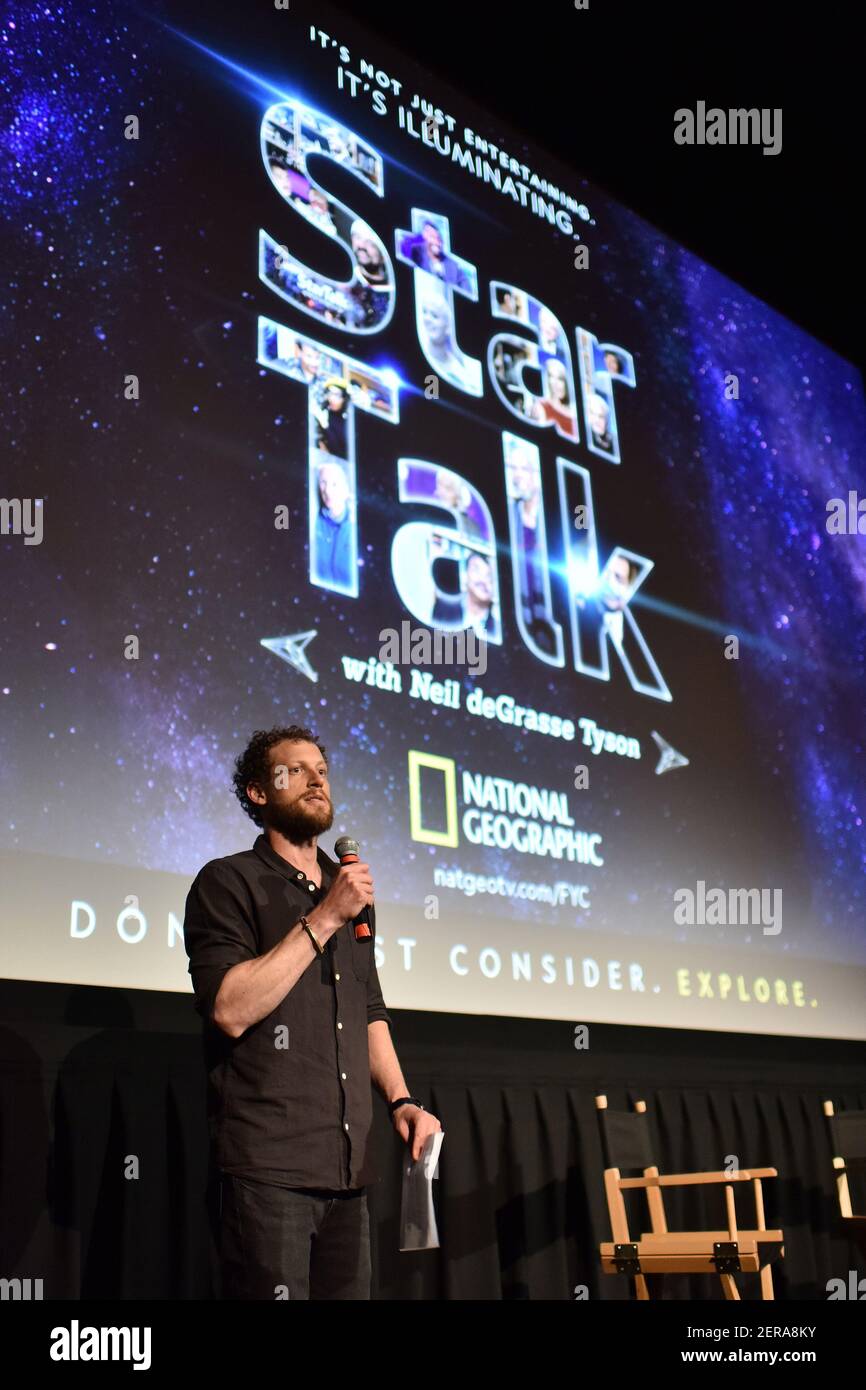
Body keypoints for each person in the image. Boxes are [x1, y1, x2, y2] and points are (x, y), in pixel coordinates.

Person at [183, 725, 441, 1300]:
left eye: (321, 770)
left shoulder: (349, 893)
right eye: (295, 770)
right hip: (267, 1171)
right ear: (258, 792)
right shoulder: (227, 882)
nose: (316, 779)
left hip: (348, 1170)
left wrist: (400, 1100)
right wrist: (326, 916)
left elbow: (369, 1008)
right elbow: (229, 1008)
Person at [432, 551, 498, 639]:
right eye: (477, 570)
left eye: (489, 575)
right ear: (465, 574)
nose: (483, 580)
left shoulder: (497, 630)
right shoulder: (443, 609)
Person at [314, 460, 353, 588]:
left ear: (346, 490)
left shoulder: (356, 529)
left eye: (335, 484)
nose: (328, 490)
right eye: (323, 483)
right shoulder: (314, 523)